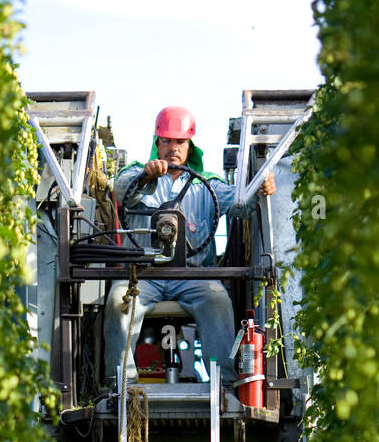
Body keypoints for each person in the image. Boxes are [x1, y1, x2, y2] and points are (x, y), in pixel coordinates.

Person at [103, 105, 275, 397]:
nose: (173, 148)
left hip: (195, 275)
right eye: (167, 141)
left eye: (179, 142)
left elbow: (241, 204)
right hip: (143, 277)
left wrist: (260, 187)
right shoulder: (135, 173)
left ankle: (223, 386)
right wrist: (146, 177)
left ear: (189, 145)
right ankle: (122, 387)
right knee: (119, 300)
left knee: (218, 298)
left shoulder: (206, 183)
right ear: (156, 142)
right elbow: (120, 190)